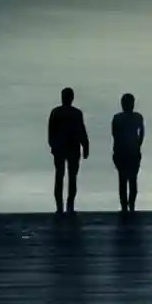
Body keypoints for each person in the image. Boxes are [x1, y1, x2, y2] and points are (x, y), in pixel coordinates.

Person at [48, 86, 89, 214]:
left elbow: (51, 132)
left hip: (60, 148)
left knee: (60, 177)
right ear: (72, 98)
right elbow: (81, 131)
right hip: (72, 148)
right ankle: (69, 206)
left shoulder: (56, 112)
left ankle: (60, 207)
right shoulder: (76, 113)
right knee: (72, 178)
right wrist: (85, 146)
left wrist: (53, 145)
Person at [111, 93, 145, 212]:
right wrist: (138, 144)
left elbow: (115, 135)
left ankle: (124, 206)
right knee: (132, 179)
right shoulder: (138, 117)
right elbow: (142, 133)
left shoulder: (117, 118)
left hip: (121, 151)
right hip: (133, 151)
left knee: (122, 180)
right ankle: (131, 205)